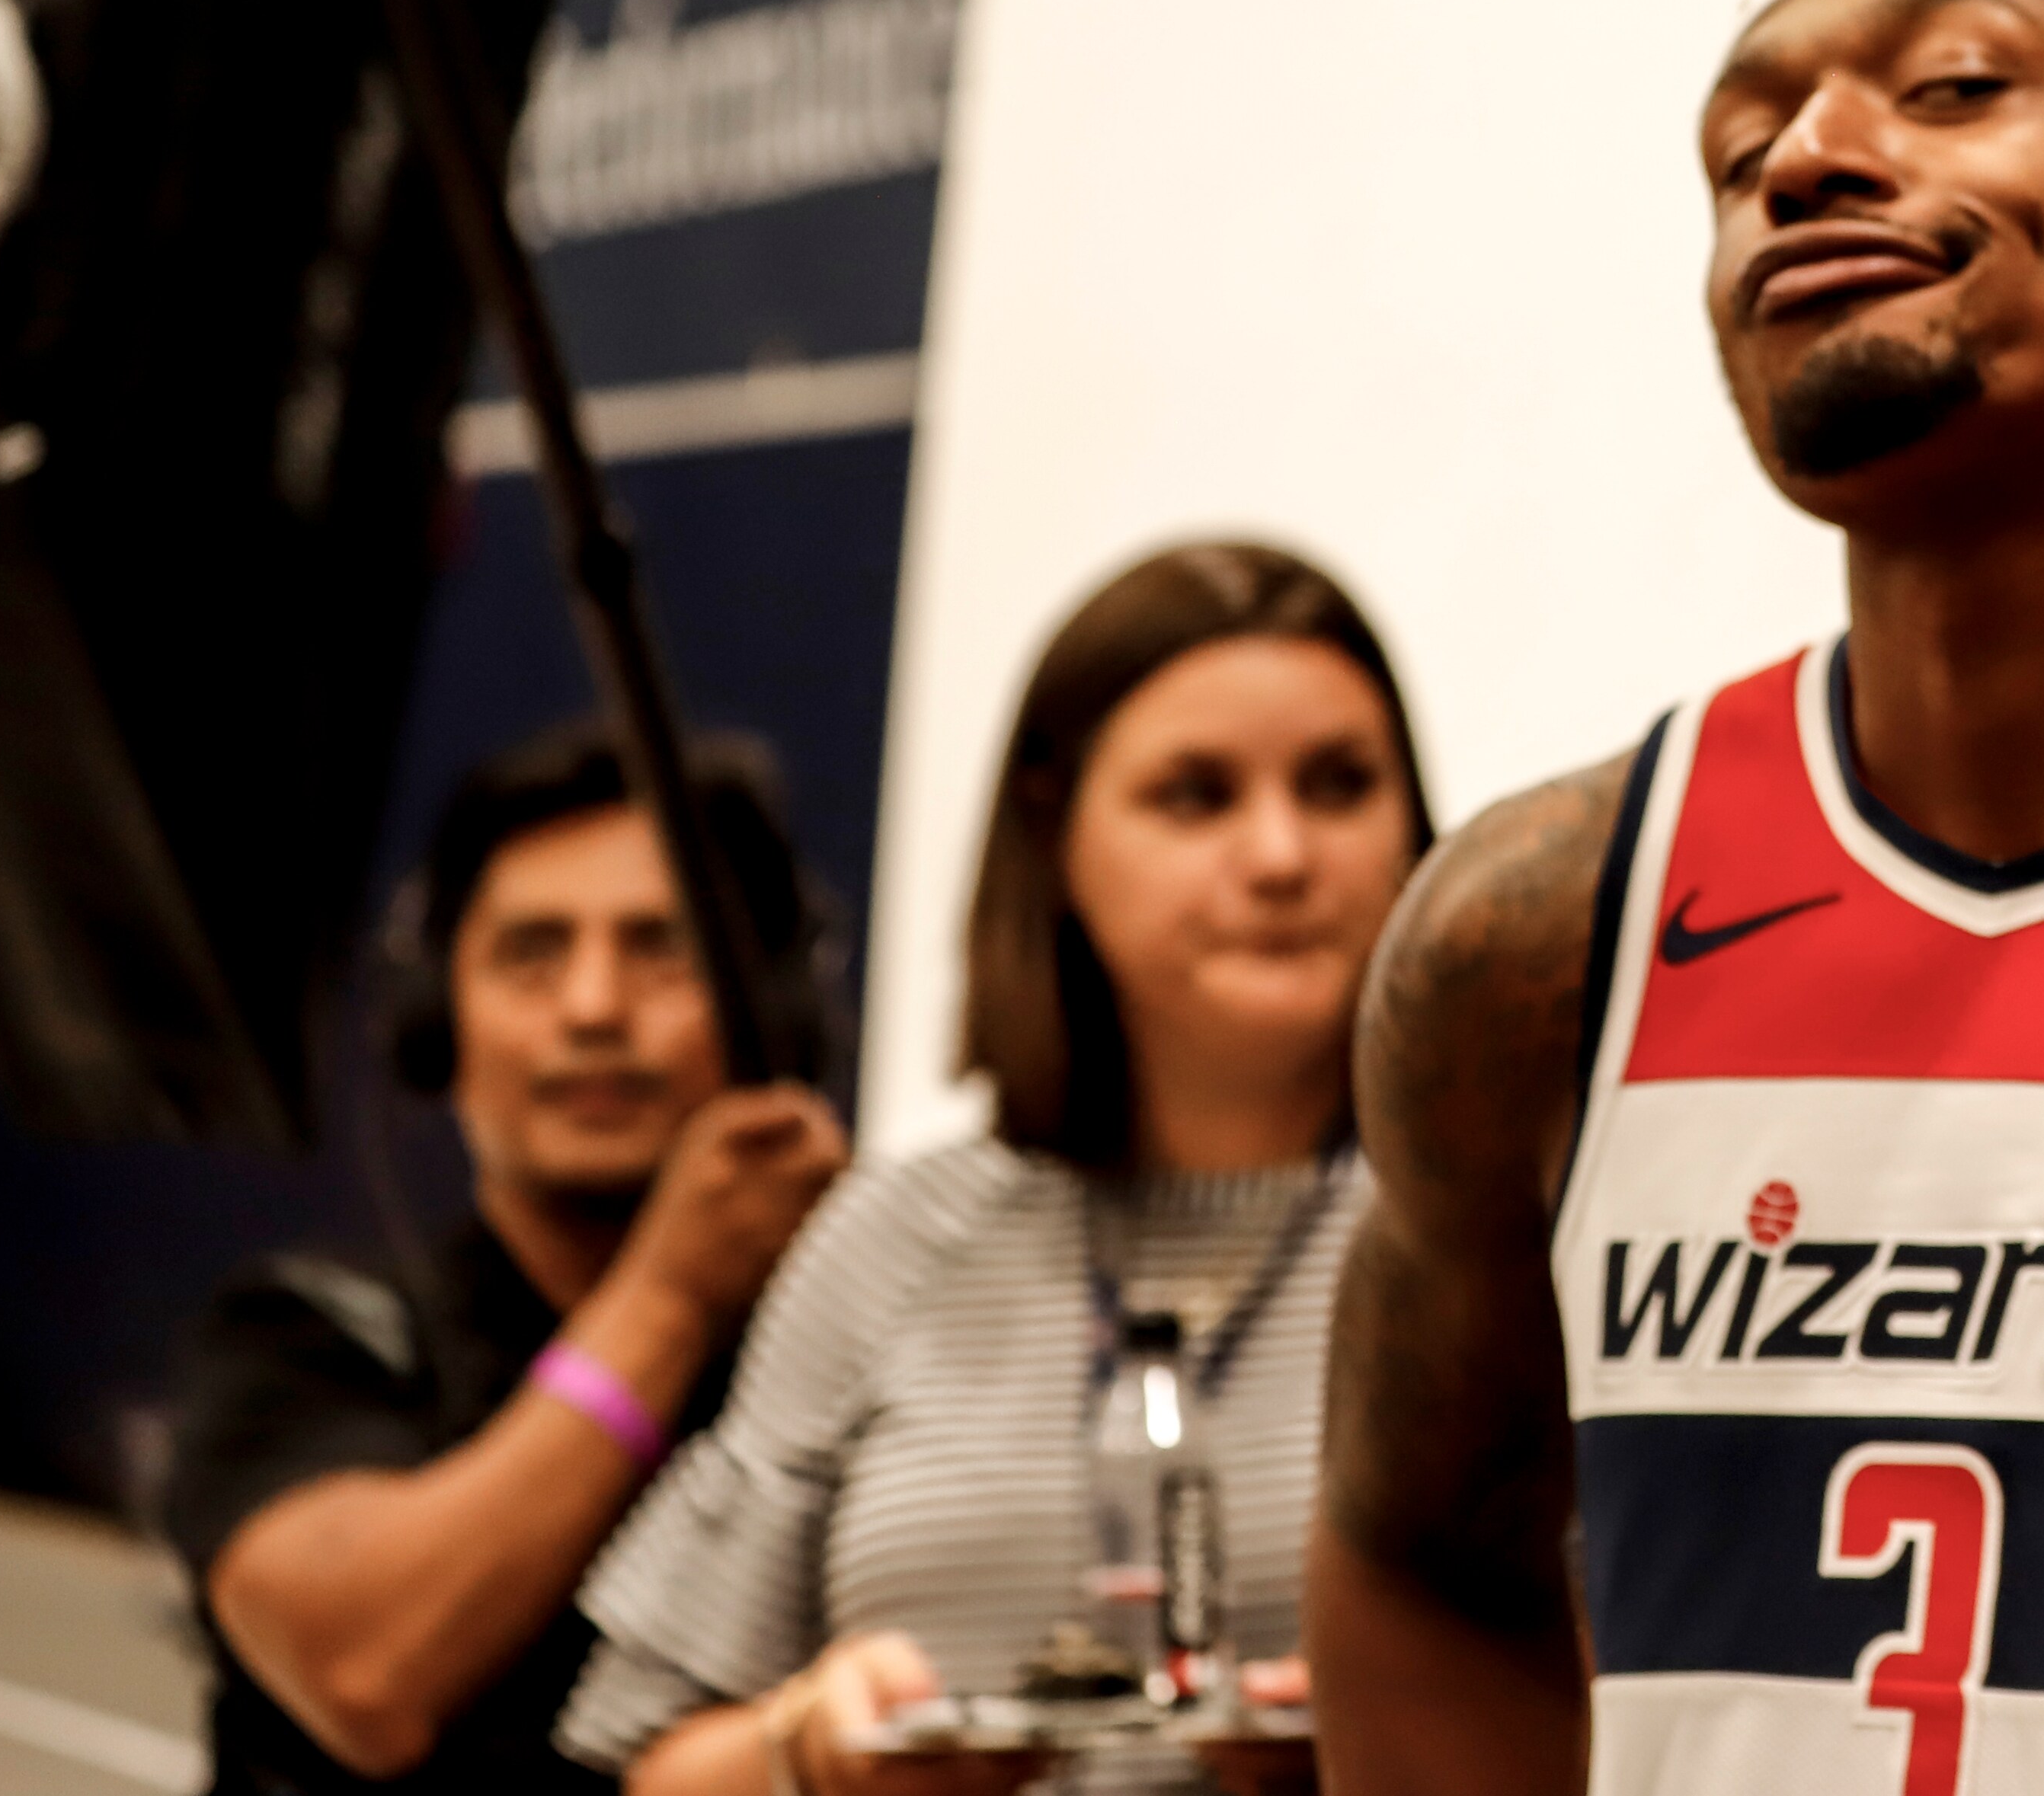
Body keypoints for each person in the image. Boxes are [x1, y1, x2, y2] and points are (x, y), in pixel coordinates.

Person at [1309, 0, 2044, 1794]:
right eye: (1742, 151)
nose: (1804, 159)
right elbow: (1422, 1567)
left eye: (1953, 84)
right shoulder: (1539, 925)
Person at [556, 541, 1424, 1796]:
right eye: (1197, 795)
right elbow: (654, 1763)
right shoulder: (892, 1235)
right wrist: (808, 1747)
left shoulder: (1509, 1230)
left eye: (1340, 785)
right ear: (1050, 832)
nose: (1282, 854)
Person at [165, 724, 848, 1796]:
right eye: (532, 953)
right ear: (439, 1020)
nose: (593, 1009)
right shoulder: (311, 1337)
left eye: (662, 948)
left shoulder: (856, 1371)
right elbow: (366, 1675)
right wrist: (670, 1294)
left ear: (779, 1006)